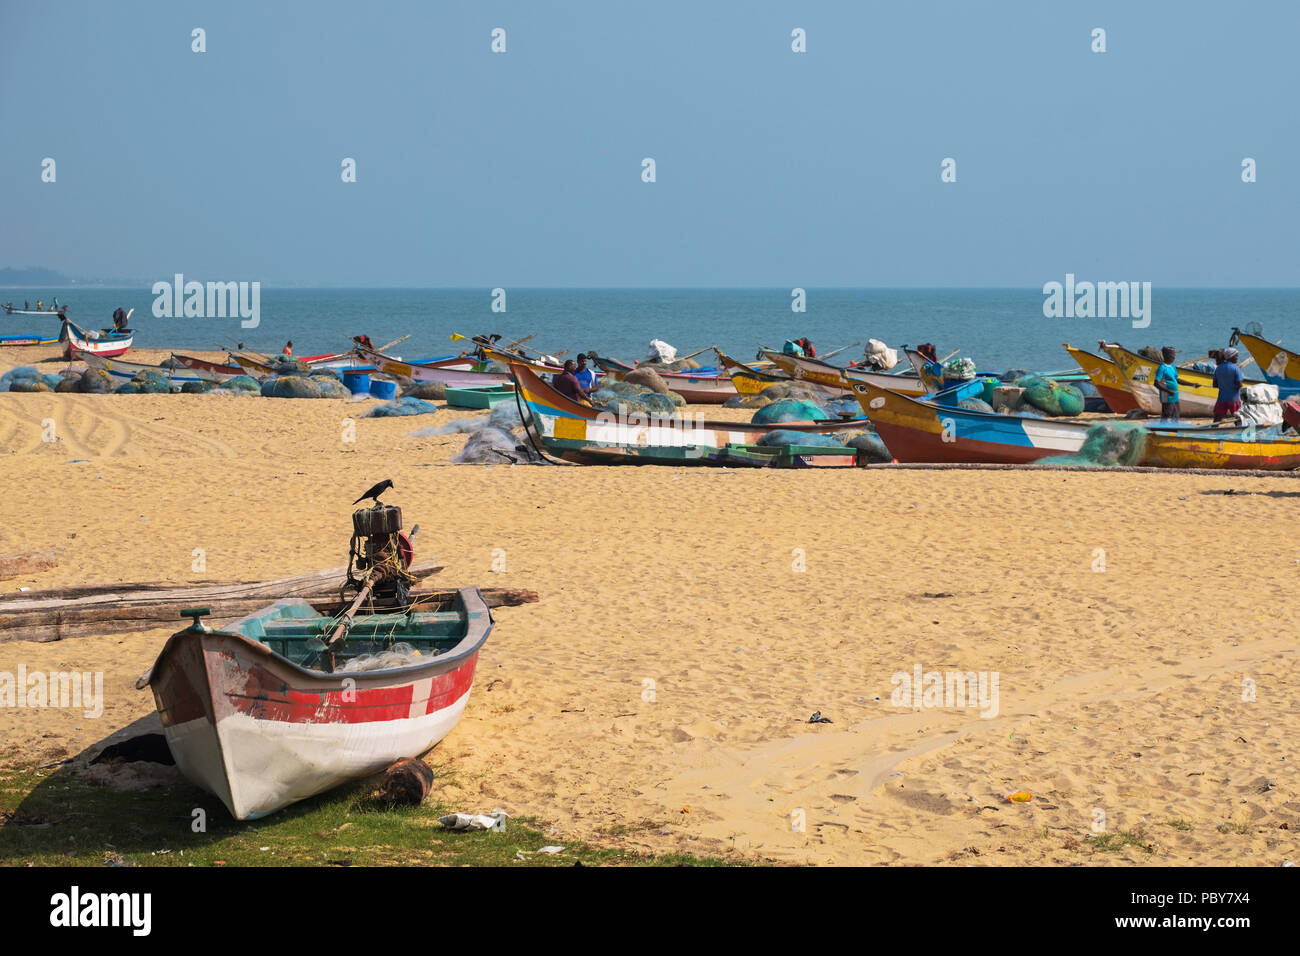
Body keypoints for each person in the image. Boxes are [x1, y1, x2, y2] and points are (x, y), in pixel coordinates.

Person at [1212, 347, 1244, 421]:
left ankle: (1213, 430)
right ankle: (1240, 431)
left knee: (1217, 419)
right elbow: (1239, 385)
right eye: (1236, 356)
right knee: (1238, 420)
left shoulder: (1218, 368)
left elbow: (1215, 385)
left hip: (1221, 399)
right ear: (1231, 356)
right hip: (1234, 399)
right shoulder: (1235, 368)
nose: (1237, 357)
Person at [1153, 346, 1184, 422]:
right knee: (1167, 413)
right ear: (1167, 355)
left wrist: (1192, 384)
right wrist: (1168, 391)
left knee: (1176, 414)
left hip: (1174, 395)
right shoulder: (1162, 368)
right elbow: (1156, 383)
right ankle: (1162, 429)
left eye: (1174, 355)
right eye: (1173, 355)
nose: (1174, 357)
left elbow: (1177, 380)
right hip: (1167, 395)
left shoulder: (1172, 367)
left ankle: (1174, 429)